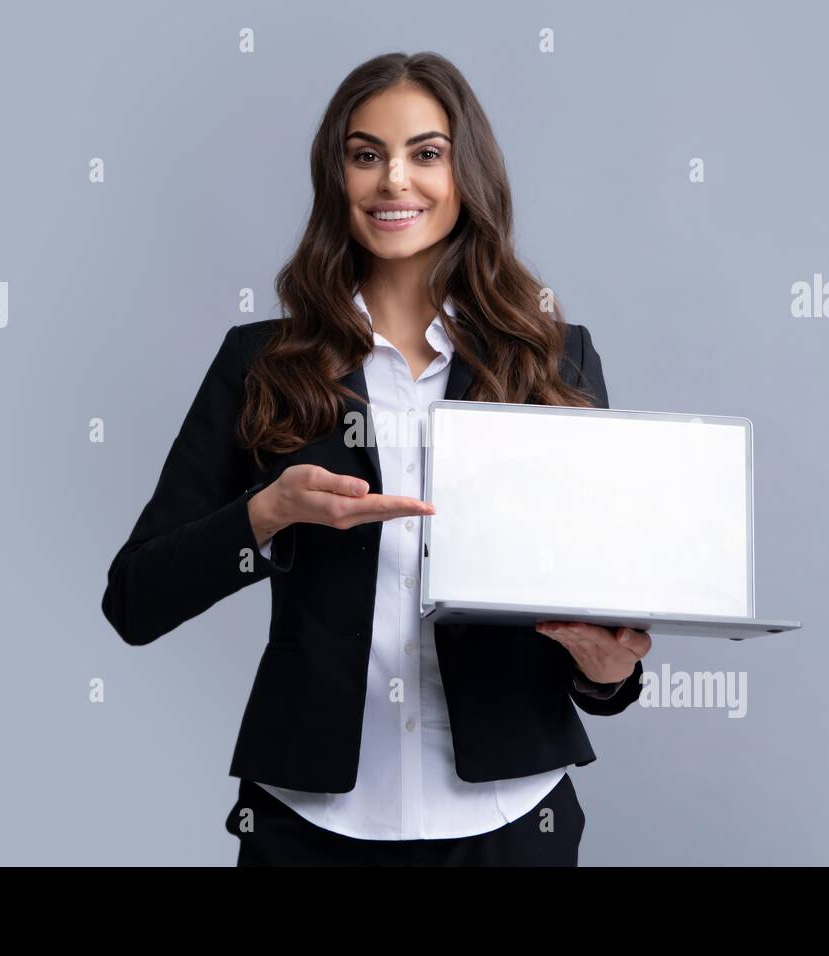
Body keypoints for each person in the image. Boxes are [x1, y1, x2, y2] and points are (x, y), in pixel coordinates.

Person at [101, 51, 651, 867]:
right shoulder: (261, 362)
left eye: (426, 153)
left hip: (510, 824)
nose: (396, 180)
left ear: (466, 175)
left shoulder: (552, 360)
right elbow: (134, 602)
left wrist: (606, 673)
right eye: (367, 155)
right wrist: (269, 512)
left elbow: (601, 630)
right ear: (339, 178)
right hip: (306, 826)